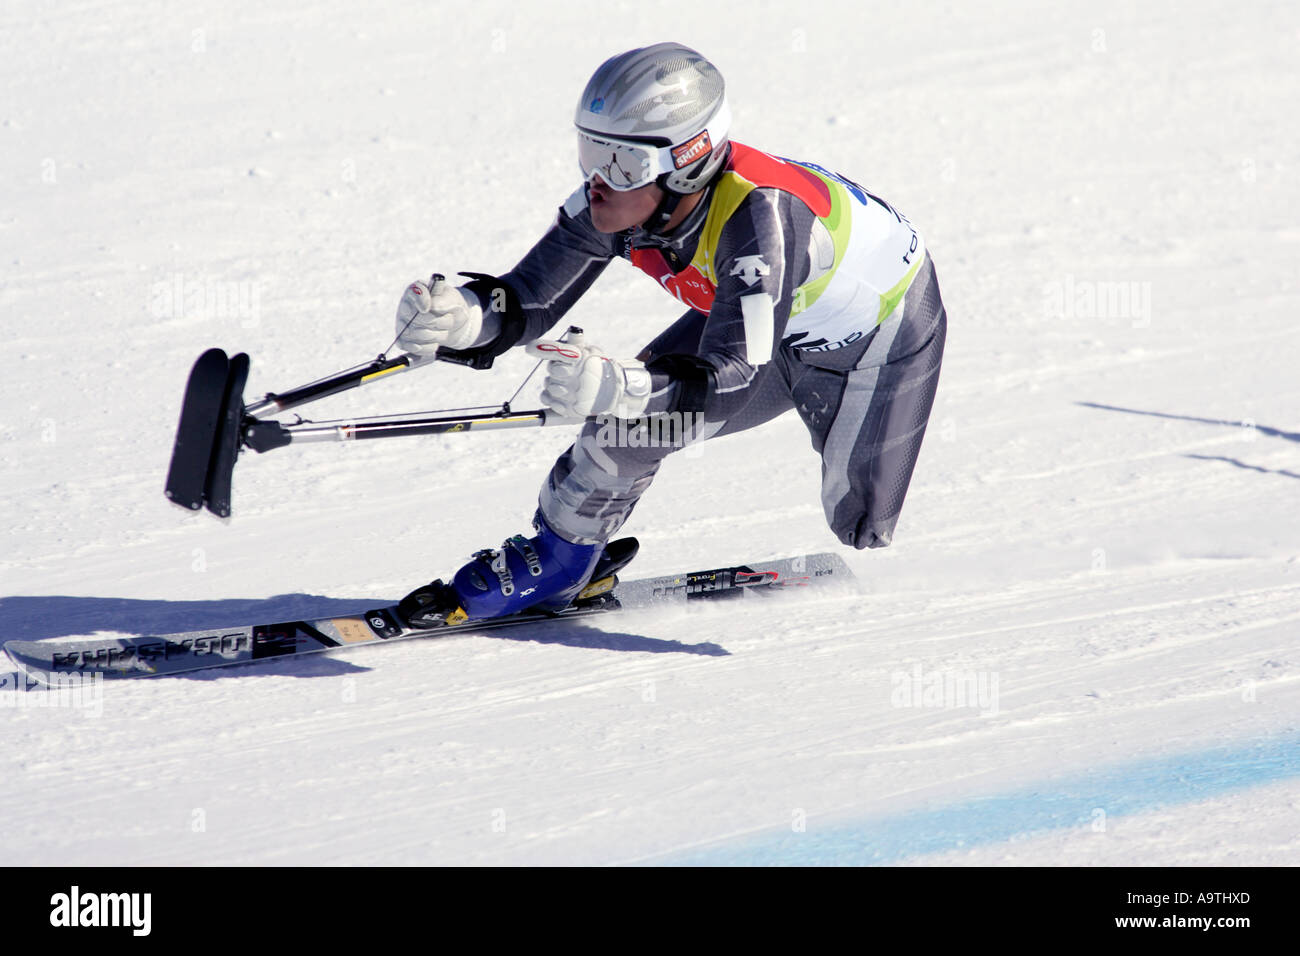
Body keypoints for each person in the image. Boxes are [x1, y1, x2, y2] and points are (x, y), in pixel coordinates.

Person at [392, 42, 947, 627]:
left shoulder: (760, 223)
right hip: (758, 321)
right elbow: (530, 296)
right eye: (591, 151)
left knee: (862, 525)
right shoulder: (625, 201)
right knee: (629, 424)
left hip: (876, 342)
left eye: (623, 163)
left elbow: (733, 379)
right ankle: (559, 564)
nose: (597, 180)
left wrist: (623, 383)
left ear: (687, 164)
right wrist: (468, 317)